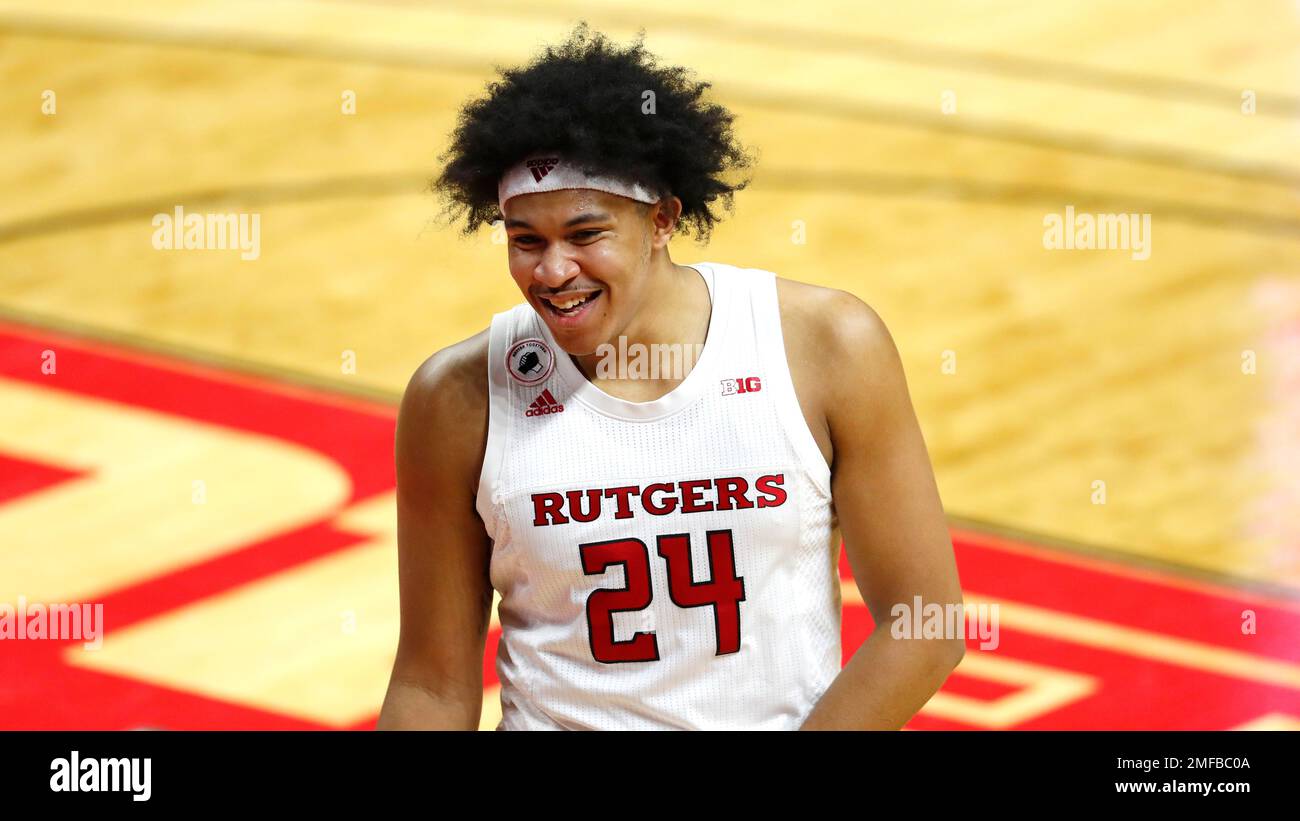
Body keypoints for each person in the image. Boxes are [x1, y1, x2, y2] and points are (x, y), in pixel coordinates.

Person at [376, 23, 964, 731]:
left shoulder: (825, 346)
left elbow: (923, 624)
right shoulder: (458, 397)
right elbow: (431, 685)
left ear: (662, 220)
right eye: (526, 240)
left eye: (586, 235)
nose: (553, 271)